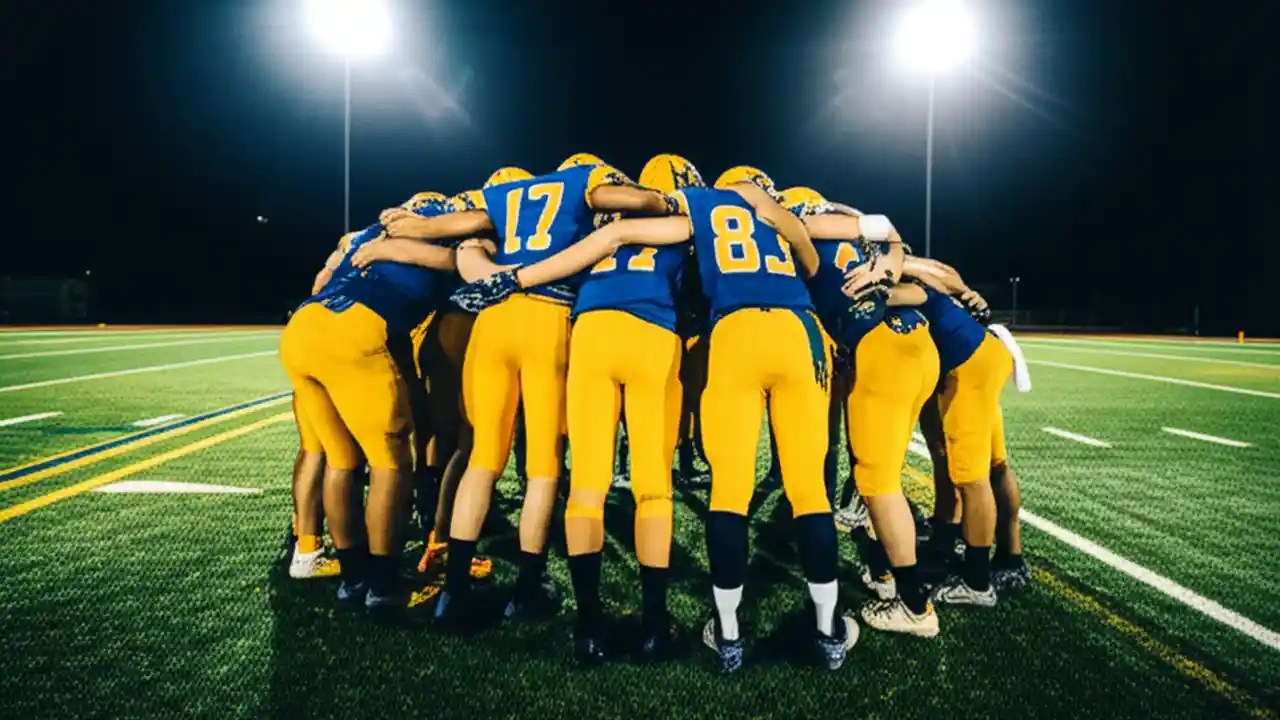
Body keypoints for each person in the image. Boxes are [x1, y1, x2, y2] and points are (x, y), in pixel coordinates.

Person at [450, 165, 857, 673]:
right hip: (751, 330)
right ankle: (792, 629)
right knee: (676, 489)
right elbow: (818, 259)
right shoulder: (774, 211)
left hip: (600, 333)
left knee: (593, 488)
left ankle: (602, 628)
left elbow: (617, 234)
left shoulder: (662, 214)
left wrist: (514, 276)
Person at [354, 156, 674, 621]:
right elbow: (628, 200)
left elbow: (458, 226)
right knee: (543, 468)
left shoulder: (513, 194)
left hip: (494, 319)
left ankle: (453, 590)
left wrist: (406, 228)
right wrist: (658, 199)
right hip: (550, 316)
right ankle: (527, 587)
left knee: (483, 459)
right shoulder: (585, 183)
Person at [280, 192, 458, 618]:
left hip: (301, 329)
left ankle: (353, 578)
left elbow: (324, 281)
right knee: (391, 464)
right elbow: (459, 269)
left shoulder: (367, 236)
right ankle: (383, 585)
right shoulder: (444, 241)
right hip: (354, 334)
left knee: (341, 461)